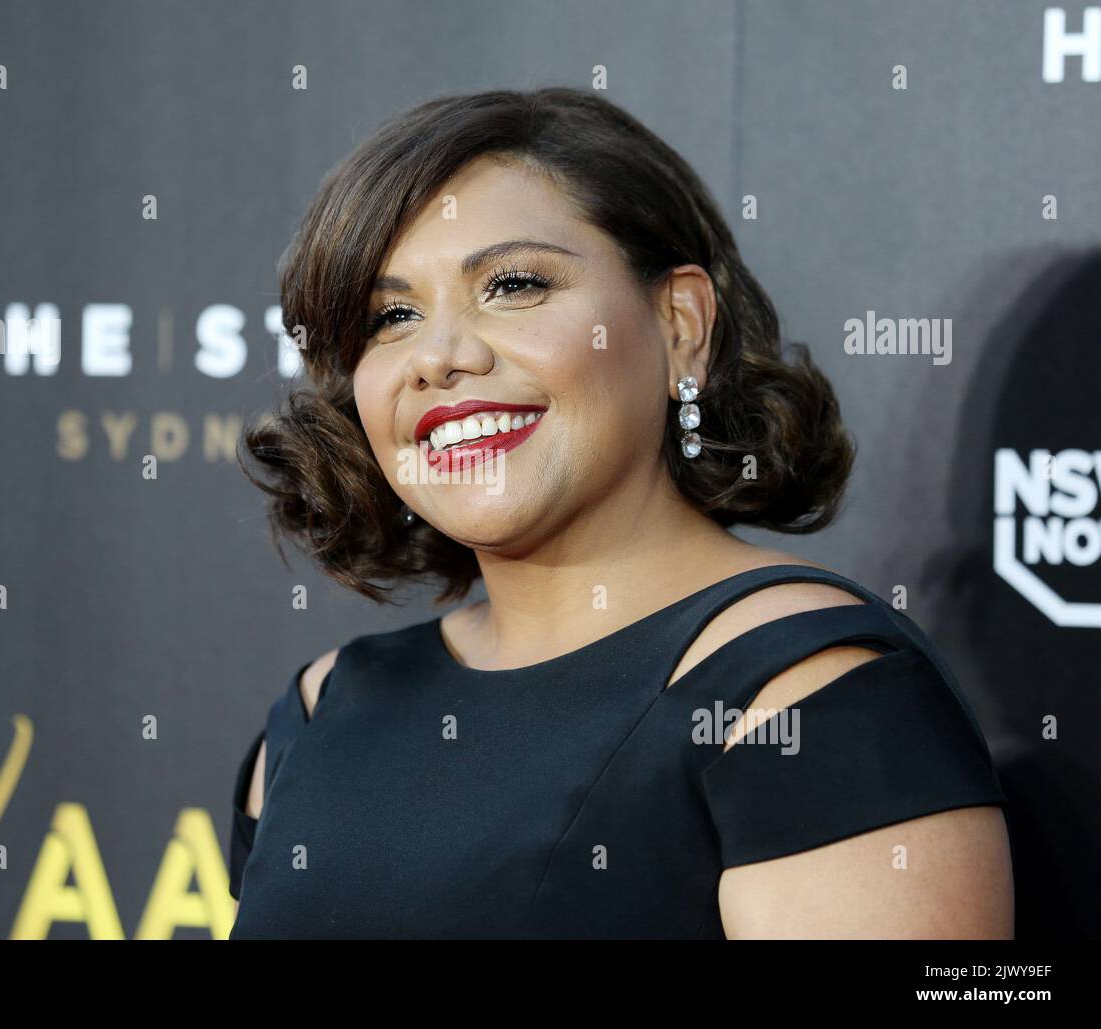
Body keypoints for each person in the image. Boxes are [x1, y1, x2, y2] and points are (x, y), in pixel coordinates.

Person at [227, 87, 1013, 939]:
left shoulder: (813, 696)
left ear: (680, 324)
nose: (440, 357)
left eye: (512, 284)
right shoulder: (318, 714)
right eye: (394, 316)